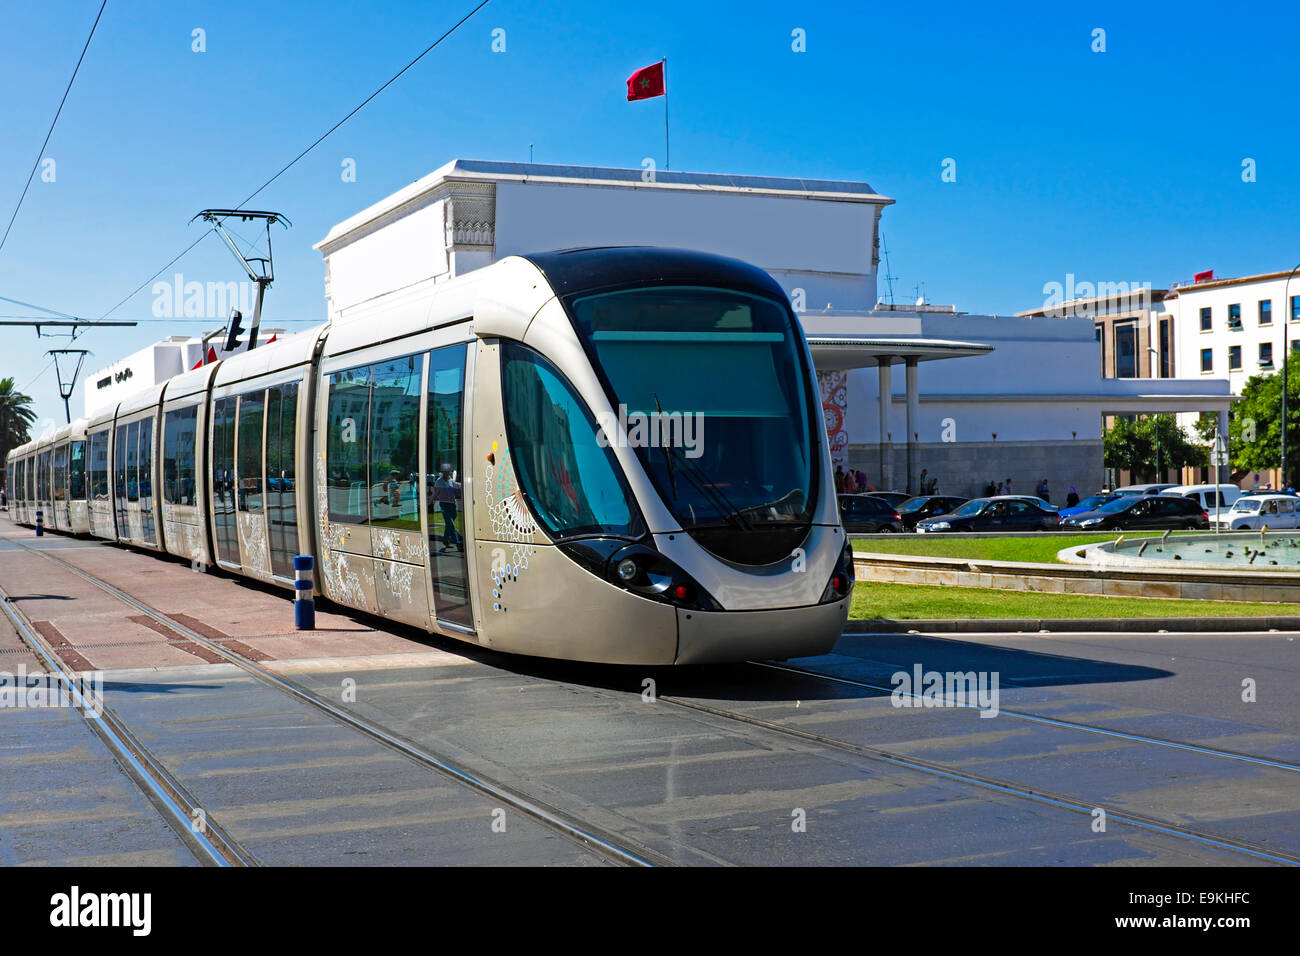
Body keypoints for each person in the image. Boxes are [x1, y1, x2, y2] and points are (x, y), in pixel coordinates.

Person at [434, 464, 463, 551]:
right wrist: (430, 501)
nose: (447, 473)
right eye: (445, 472)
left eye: (448, 472)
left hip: (452, 505)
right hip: (444, 505)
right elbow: (435, 493)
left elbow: (457, 485)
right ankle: (458, 542)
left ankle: (446, 540)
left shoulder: (450, 480)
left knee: (449, 524)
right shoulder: (439, 481)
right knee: (451, 524)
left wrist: (465, 484)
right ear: (443, 472)